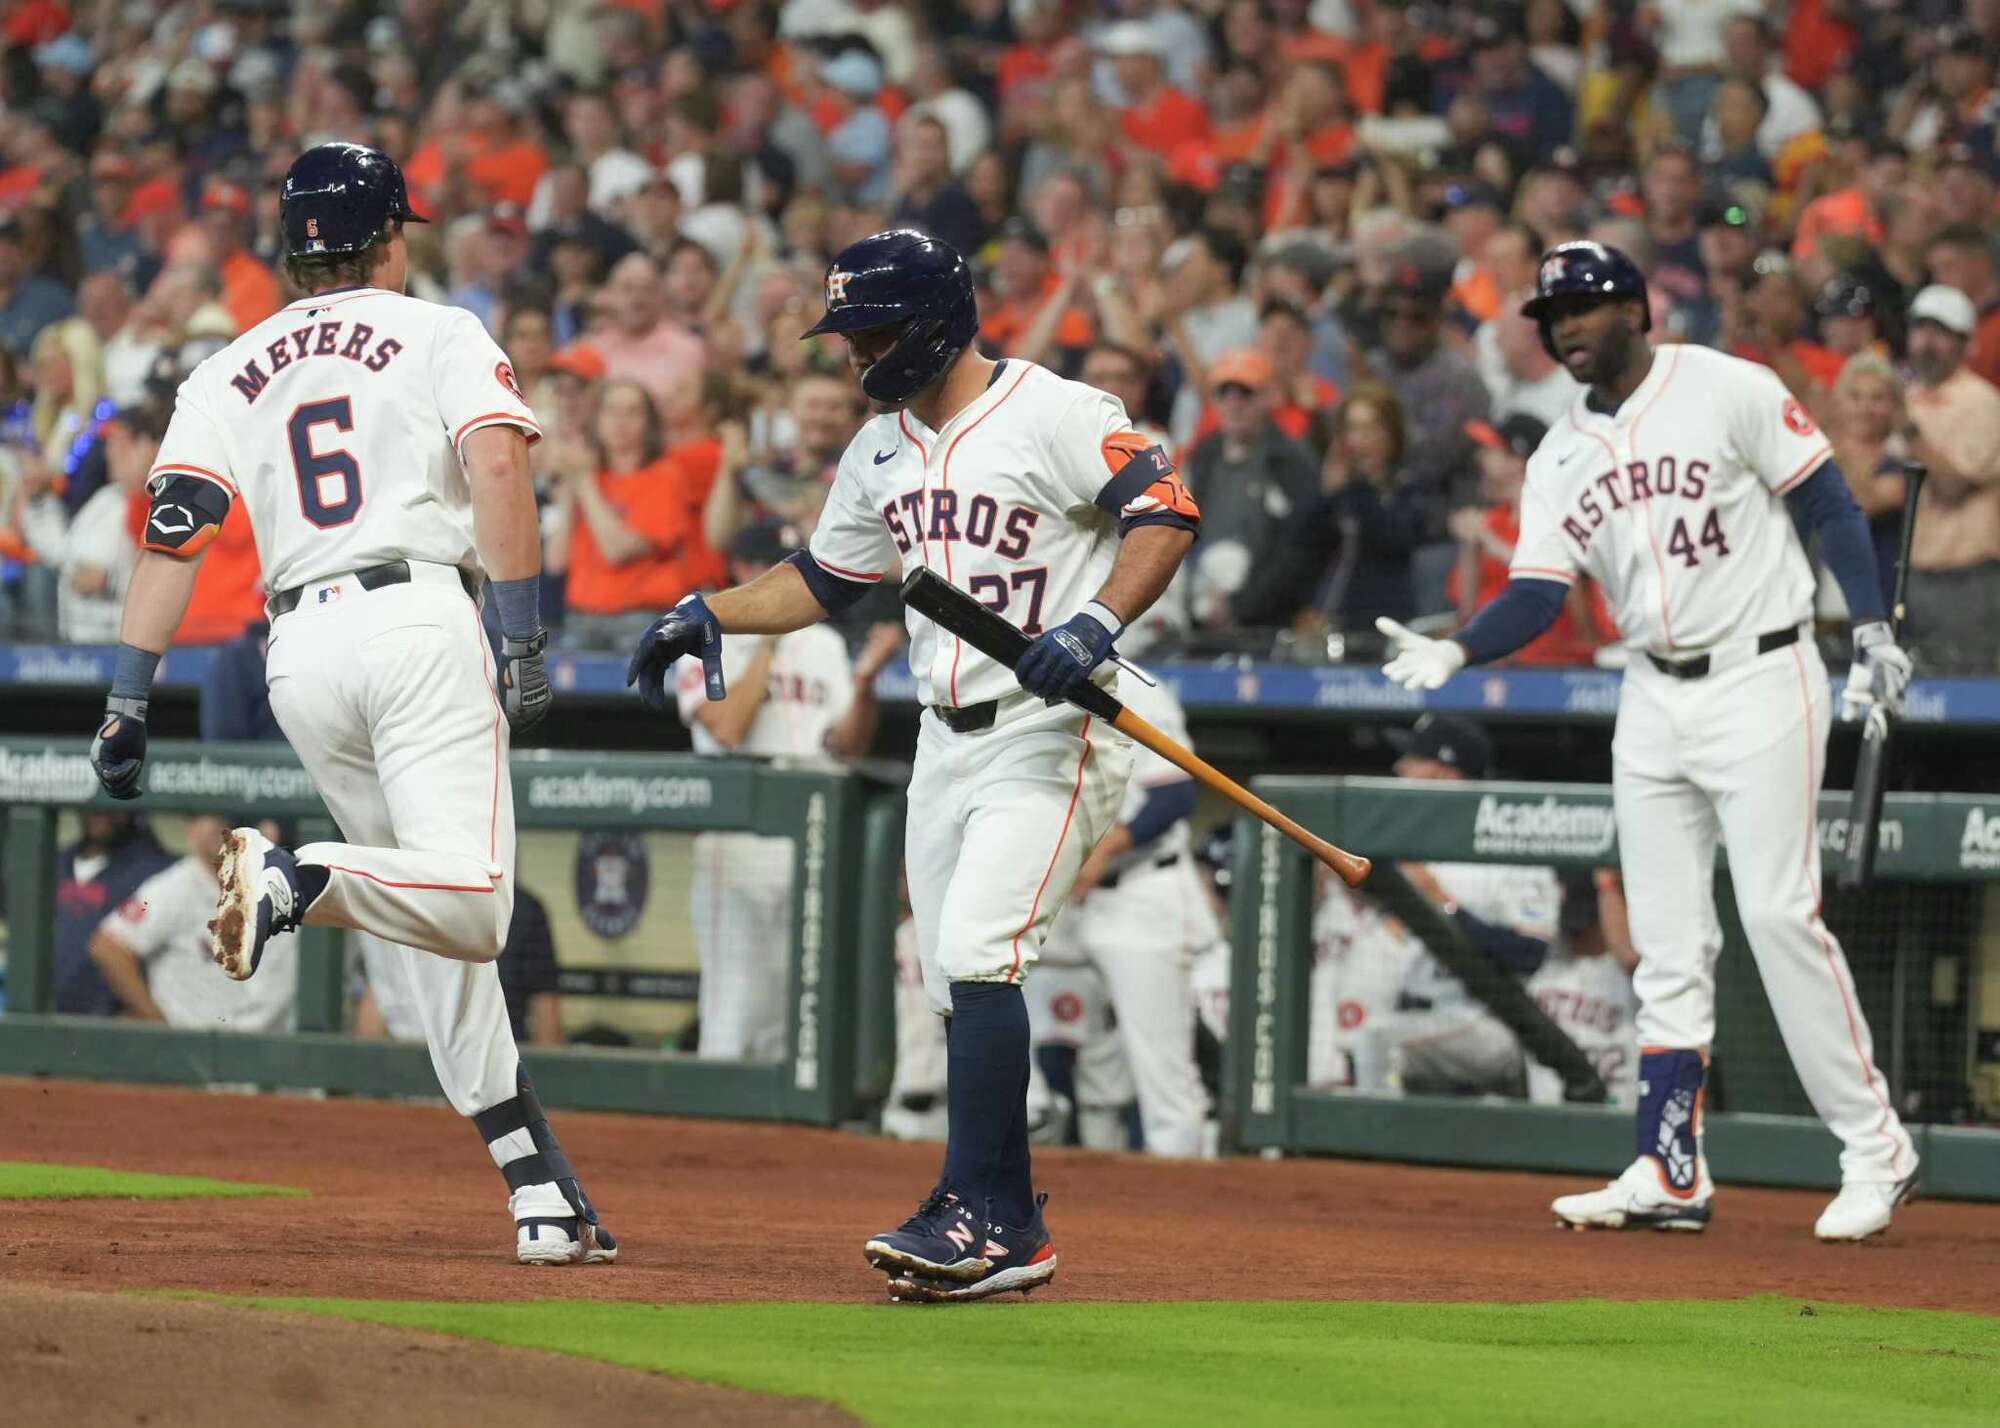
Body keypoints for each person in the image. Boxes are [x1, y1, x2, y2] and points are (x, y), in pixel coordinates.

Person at [627, 228, 1196, 1302]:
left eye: (871, 328)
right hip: (940, 735)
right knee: (949, 976)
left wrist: (1092, 621)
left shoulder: (1055, 411)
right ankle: (998, 1215)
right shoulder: (880, 448)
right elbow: (825, 579)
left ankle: (981, 1217)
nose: (855, 353)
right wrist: (710, 608)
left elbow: (1163, 514)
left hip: (1050, 721)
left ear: (934, 318)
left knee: (981, 950)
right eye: (848, 332)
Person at [85, 142, 618, 1268]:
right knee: (471, 908)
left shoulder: (224, 366)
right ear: (390, 239)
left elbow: (173, 537)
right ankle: (291, 877)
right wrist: (521, 631)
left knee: (427, 921)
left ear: (289, 254)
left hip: (300, 650)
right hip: (415, 619)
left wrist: (129, 695)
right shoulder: (439, 330)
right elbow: (499, 470)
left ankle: (537, 1192)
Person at [1380, 240, 1920, 1242]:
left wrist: (1876, 630)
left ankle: (1873, 1147)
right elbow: (1537, 593)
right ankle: (1668, 1168)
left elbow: (1825, 499)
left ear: (1633, 306)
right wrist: (1456, 652)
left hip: (1762, 672)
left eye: (1581, 306)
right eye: (1551, 316)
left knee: (1773, 914)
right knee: (1667, 944)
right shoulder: (1557, 451)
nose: (1566, 328)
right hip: (1650, 693)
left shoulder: (1724, 386)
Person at [675, 518, 897, 1061]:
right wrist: (767, 640)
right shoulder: (700, 638)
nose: (784, 579)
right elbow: (726, 728)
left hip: (814, 834)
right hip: (742, 836)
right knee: (737, 1006)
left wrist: (865, 684)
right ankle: (718, 1126)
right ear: (742, 572)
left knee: (793, 1011)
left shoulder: (823, 645)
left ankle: (773, 1144)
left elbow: (847, 745)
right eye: (770, 567)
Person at [1026, 641, 1217, 1157]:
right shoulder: (1024, 685)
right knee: (997, 997)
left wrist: (1104, 850)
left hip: (1138, 893)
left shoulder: (1135, 687)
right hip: (1066, 902)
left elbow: (1175, 794)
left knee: (1164, 1082)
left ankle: (1186, 1207)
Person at [1351, 715, 1558, 1100]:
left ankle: (1367, 1152)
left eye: (1415, 758)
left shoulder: (1509, 846)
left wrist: (1440, 902)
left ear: (1447, 773)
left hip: (1489, 1024)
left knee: (1377, 1039)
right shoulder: (1414, 841)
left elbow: (1530, 954)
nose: (1401, 768)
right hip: (1418, 1014)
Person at [88, 813, 299, 1033]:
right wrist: (158, 1025)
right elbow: (108, 946)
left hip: (271, 1049)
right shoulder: (172, 887)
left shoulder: (286, 886)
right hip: (193, 1048)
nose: (221, 830)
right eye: (211, 820)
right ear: (191, 832)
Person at [1178, 347, 1322, 630]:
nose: (1234, 404)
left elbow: (1297, 551)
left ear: (1269, 398)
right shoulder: (1204, 455)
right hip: (1199, 610)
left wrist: (1240, 606)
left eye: (1246, 393)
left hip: (1266, 620)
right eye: (1224, 393)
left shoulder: (1292, 462)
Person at [1899, 285, 2000, 672]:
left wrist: (1907, 432)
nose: (1927, 342)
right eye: (1920, 329)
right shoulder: (1906, 398)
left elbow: (1952, 486)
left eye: (1940, 332)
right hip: (1912, 574)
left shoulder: (1984, 403)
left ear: (1964, 344)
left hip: (1967, 580)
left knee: (1967, 701)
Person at [51, 810, 172, 1017]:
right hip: (52, 1014)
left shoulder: (154, 869)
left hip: (114, 1019)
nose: (101, 814)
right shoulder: (58, 862)